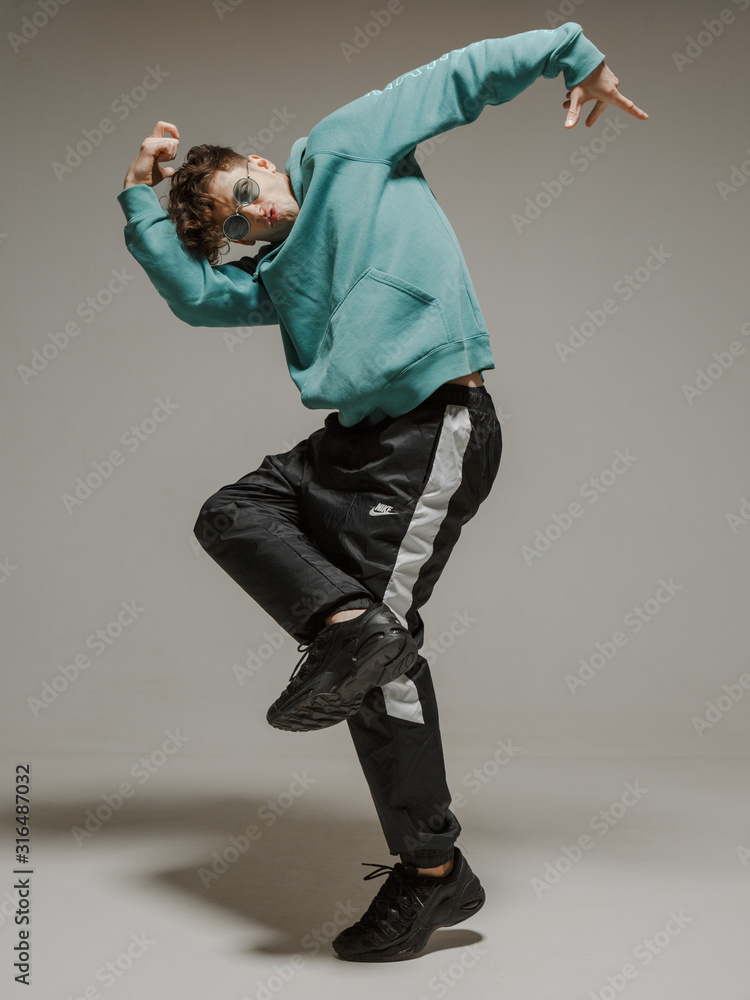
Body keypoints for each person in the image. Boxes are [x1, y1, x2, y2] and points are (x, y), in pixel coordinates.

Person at [118, 21, 648, 962]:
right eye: (236, 226)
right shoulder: (275, 273)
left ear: (263, 163)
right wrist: (140, 194)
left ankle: (434, 874)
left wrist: (575, 55)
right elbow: (198, 296)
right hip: (350, 446)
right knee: (236, 516)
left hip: (431, 429)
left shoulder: (346, 145)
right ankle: (346, 636)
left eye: (248, 194)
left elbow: (460, 77)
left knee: (379, 658)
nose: (256, 220)